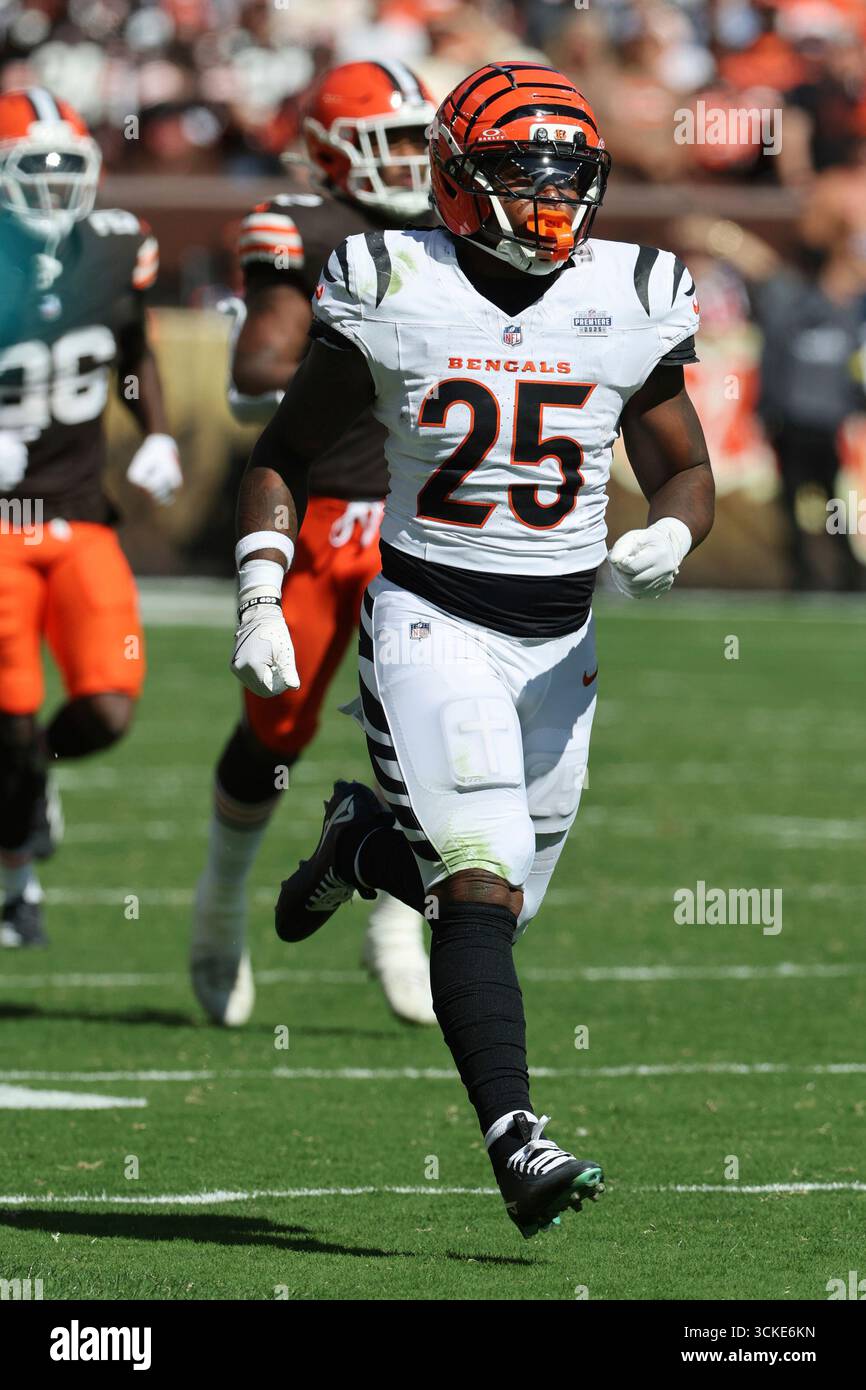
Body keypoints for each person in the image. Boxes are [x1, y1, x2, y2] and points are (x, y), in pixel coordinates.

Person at [231, 63, 714, 1237]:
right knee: (479, 873)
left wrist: (673, 532)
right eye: (521, 173)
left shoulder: (632, 289)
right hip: (427, 618)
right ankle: (515, 1140)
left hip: (559, 646)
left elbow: (685, 469)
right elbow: (283, 449)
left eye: (568, 176)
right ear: (456, 180)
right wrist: (259, 589)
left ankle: (357, 841)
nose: (549, 199)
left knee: (497, 903)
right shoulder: (393, 282)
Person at [191, 61, 438, 1027]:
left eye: (424, 138)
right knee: (280, 725)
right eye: (395, 140)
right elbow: (256, 375)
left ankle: (394, 928)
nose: (415, 160)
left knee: (424, 728)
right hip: (326, 510)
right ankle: (218, 909)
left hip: (426, 510)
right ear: (336, 150)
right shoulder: (304, 225)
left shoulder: (452, 230)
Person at [0, 88, 181, 947]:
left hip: (79, 515)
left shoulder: (113, 247)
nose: (52, 188)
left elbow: (133, 341)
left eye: (66, 168)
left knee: (107, 707)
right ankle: (15, 878)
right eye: (32, 169)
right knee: (9, 716)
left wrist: (156, 429)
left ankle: (32, 783)